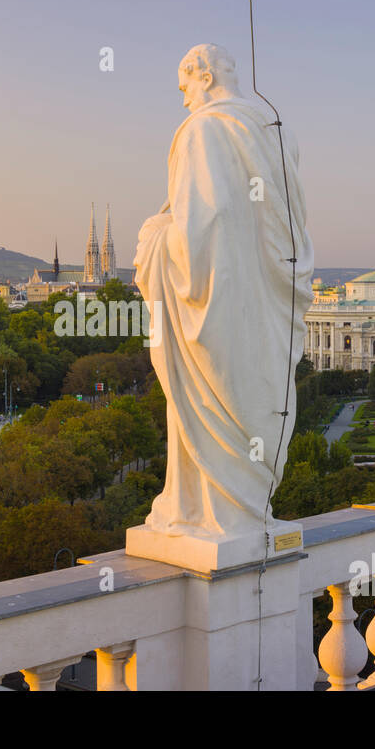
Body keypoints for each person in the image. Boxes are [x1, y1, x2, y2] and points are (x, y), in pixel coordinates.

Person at [133, 44, 315, 538]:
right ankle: (241, 501)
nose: (183, 100)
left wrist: (154, 235)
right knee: (253, 392)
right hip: (264, 299)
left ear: (205, 76)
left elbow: (201, 230)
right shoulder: (278, 130)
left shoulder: (203, 129)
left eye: (183, 87)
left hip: (218, 300)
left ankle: (204, 508)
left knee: (213, 397)